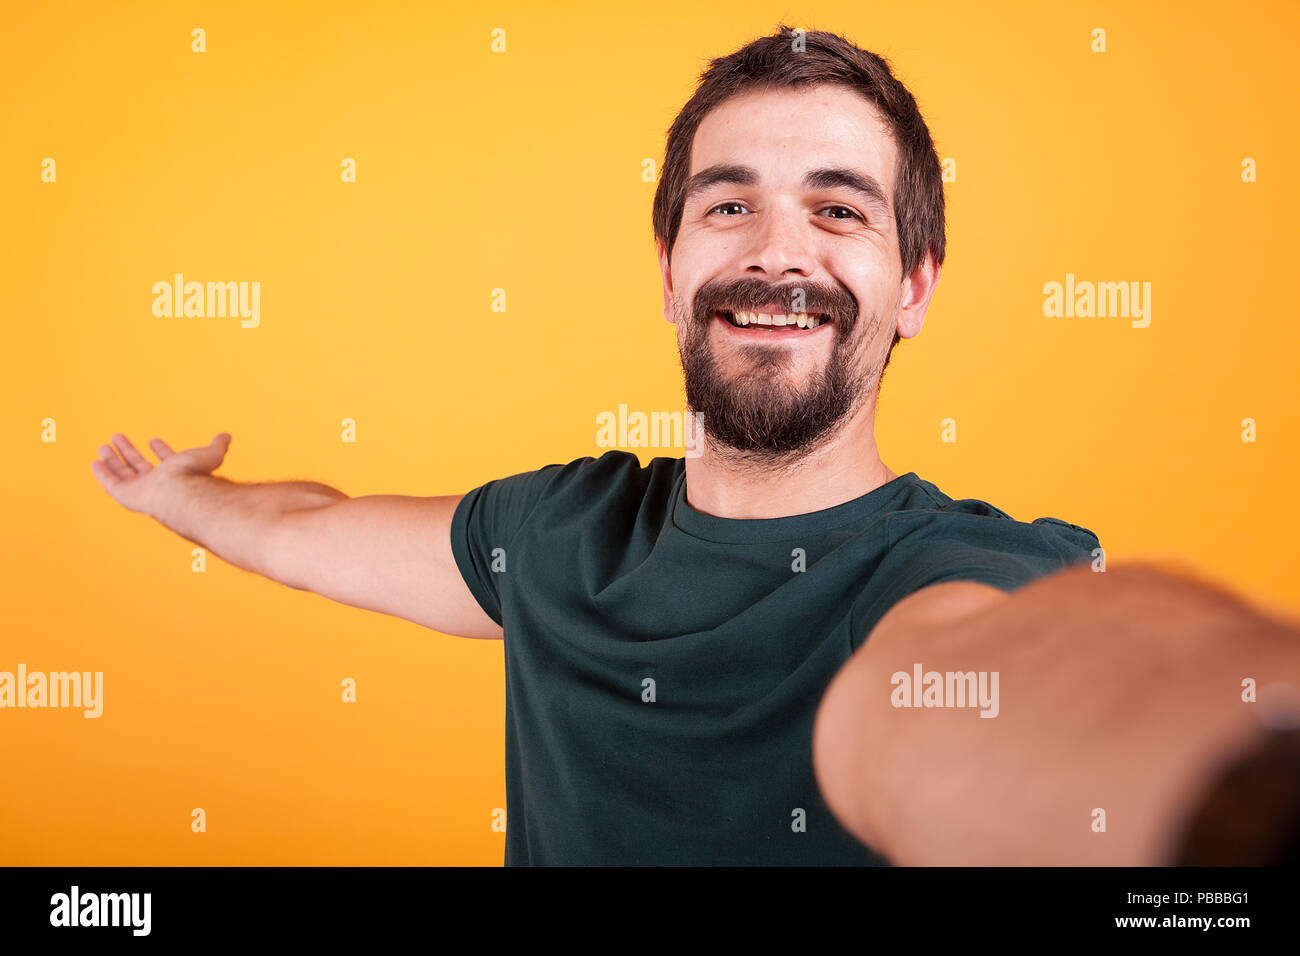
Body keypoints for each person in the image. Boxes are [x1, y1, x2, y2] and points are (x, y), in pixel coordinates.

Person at [91, 24, 1300, 866]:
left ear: (916, 283)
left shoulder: (954, 582)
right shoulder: (553, 537)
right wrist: (178, 496)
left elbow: (1003, 698)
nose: (778, 252)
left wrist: (1233, 784)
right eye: (729, 204)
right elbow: (303, 528)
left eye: (839, 208)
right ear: (670, 273)